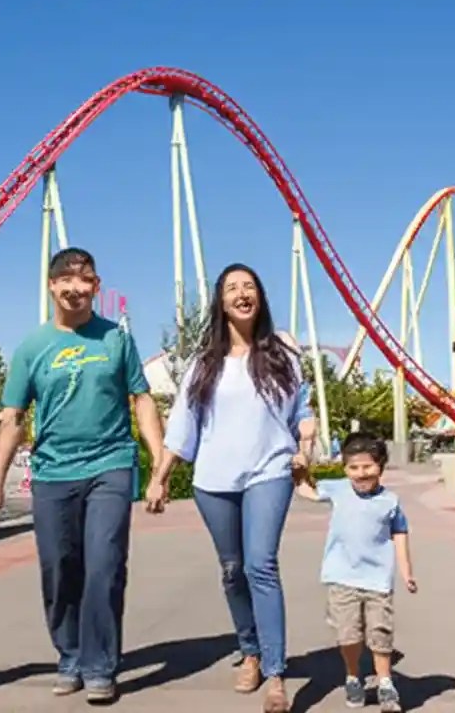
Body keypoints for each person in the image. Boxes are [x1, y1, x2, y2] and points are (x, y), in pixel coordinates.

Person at [0, 247, 165, 703]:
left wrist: (159, 463)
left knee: (103, 565)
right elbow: (13, 418)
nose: (75, 287)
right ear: (51, 285)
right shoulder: (31, 347)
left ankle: (101, 665)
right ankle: (70, 653)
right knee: (59, 567)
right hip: (53, 471)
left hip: (111, 464)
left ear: (96, 288)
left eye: (85, 280)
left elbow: (141, 400)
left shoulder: (116, 340)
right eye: (66, 278)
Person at [147, 263, 317, 713]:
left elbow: (303, 408)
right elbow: (182, 426)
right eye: (232, 288)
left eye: (249, 287)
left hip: (269, 472)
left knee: (261, 565)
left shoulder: (283, 352)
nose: (242, 294)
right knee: (232, 569)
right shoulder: (204, 364)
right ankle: (251, 650)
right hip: (214, 481)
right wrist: (159, 478)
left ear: (259, 296)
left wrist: (307, 443)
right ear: (221, 302)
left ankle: (276, 674)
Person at [295, 433, 416, 713]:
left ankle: (385, 683)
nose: (361, 474)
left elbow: (400, 533)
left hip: (377, 579)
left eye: (368, 467)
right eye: (353, 468)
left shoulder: (391, 501)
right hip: (341, 577)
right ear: (345, 469)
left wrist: (406, 570)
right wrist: (298, 469)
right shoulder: (337, 490)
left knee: (380, 632)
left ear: (381, 467)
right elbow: (307, 491)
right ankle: (353, 676)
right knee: (348, 635)